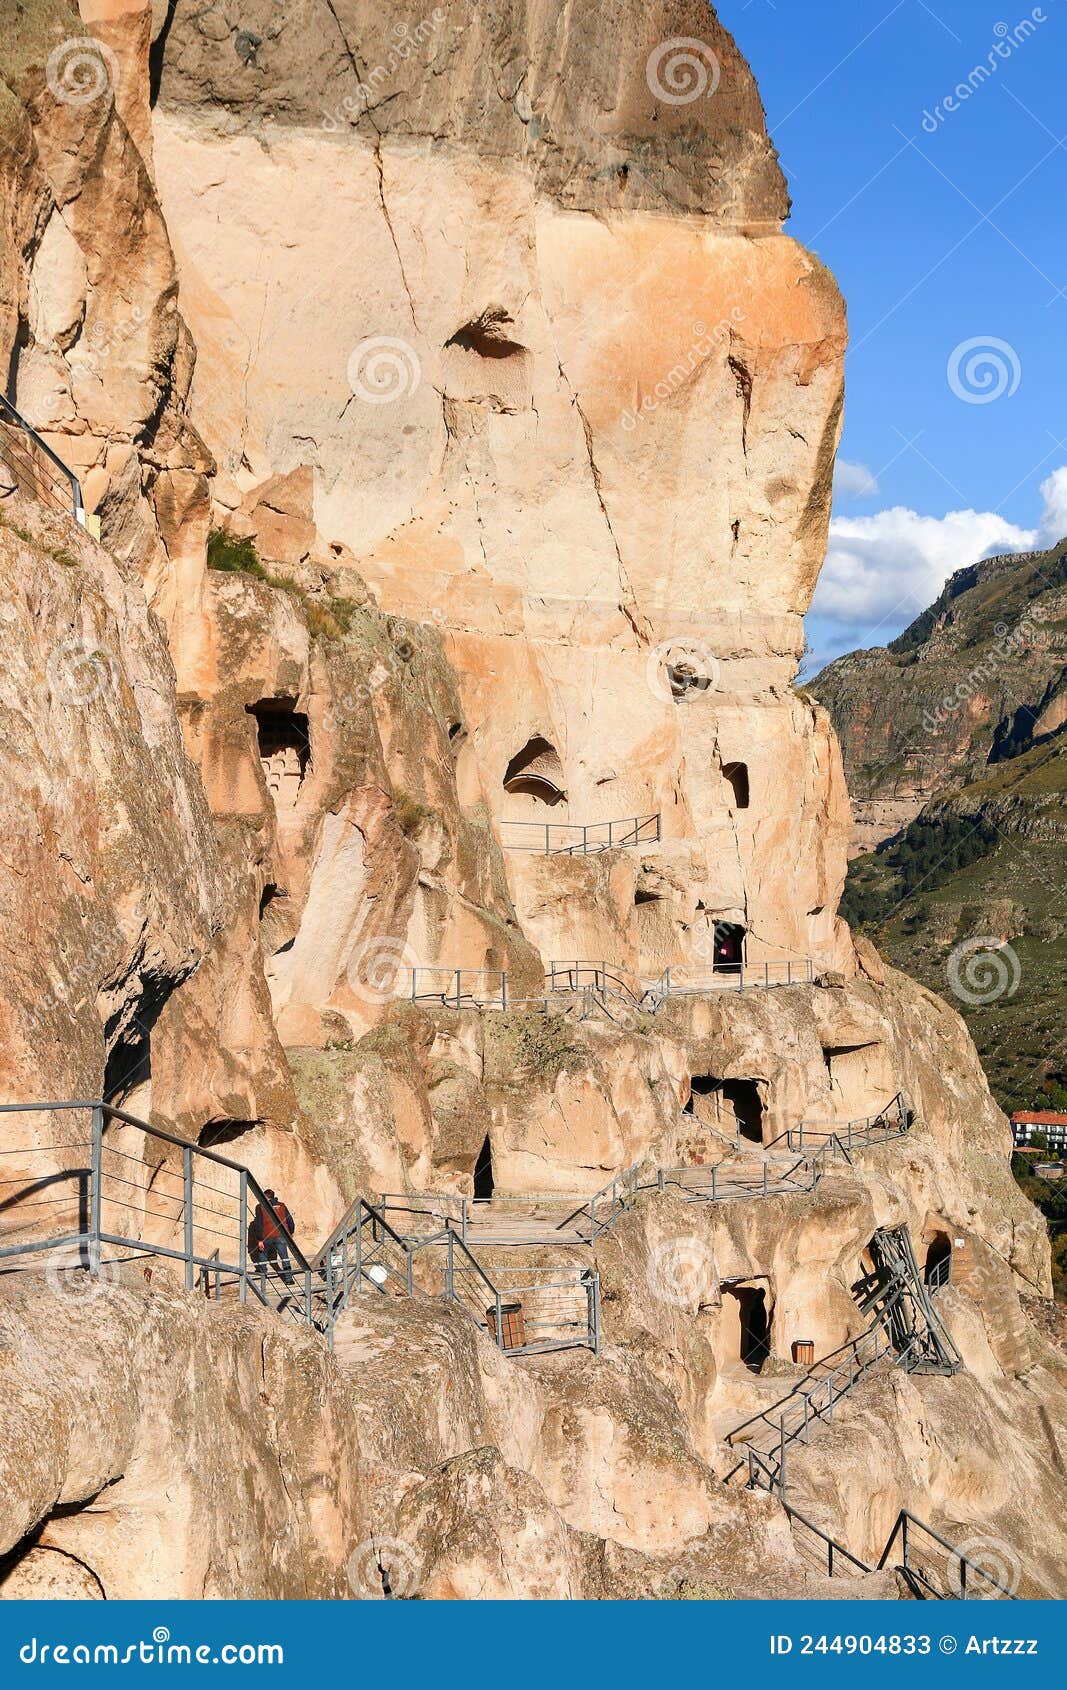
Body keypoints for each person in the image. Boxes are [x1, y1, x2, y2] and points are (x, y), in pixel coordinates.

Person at [251, 1188, 296, 1287]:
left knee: (262, 1254)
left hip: (266, 1236)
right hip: (281, 1235)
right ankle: (289, 1279)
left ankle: (264, 1274)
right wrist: (291, 1232)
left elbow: (259, 1224)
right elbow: (290, 1220)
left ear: (265, 1197)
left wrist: (259, 1239)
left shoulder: (260, 1207)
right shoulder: (282, 1205)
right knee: (284, 1258)